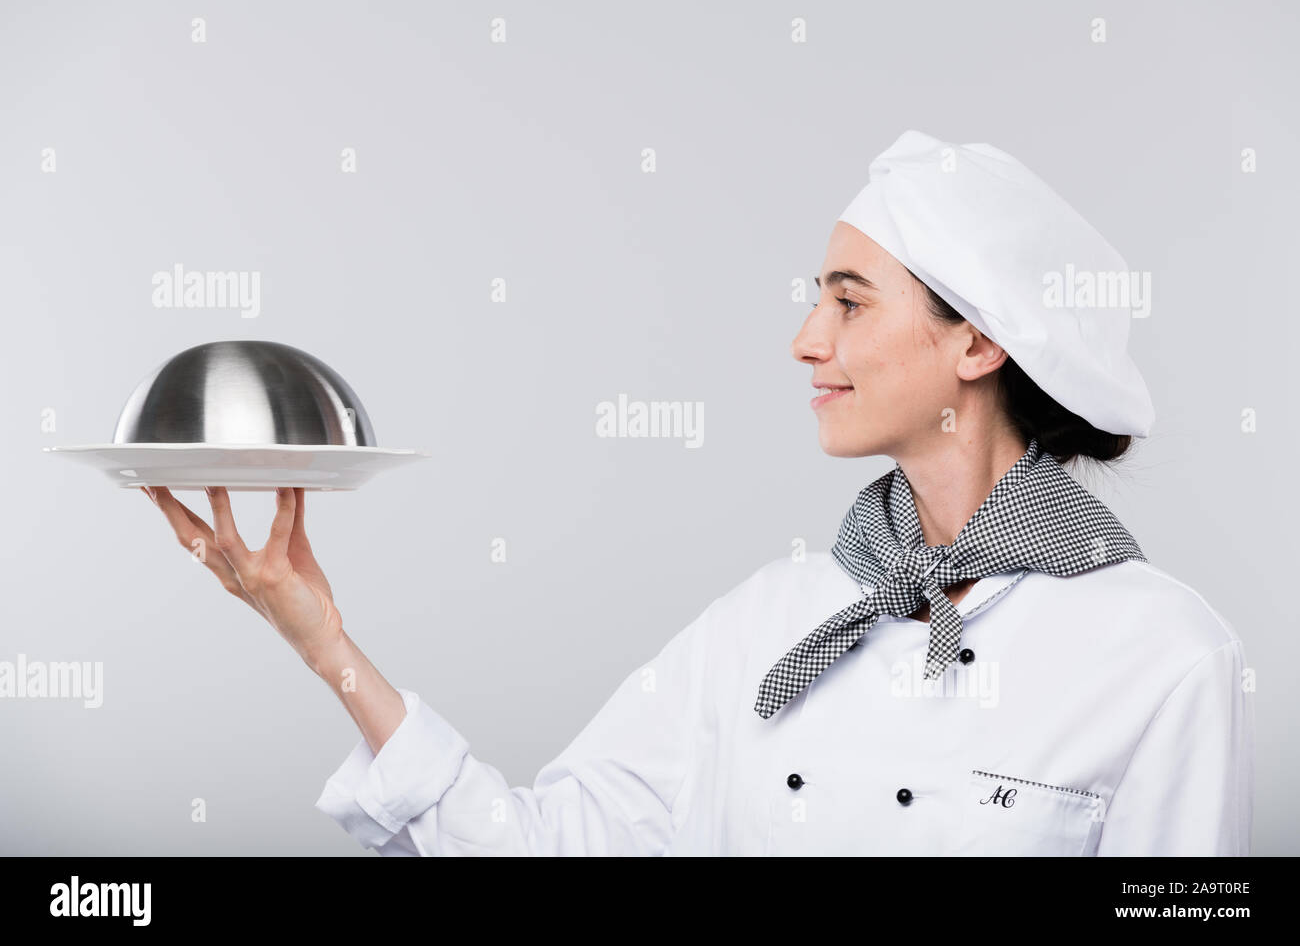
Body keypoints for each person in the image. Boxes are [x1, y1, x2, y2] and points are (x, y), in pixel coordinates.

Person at [142, 129, 1253, 856]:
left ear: (975, 340)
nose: (804, 339)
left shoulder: (1158, 654)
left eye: (850, 302)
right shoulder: (769, 623)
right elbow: (538, 844)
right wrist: (325, 643)